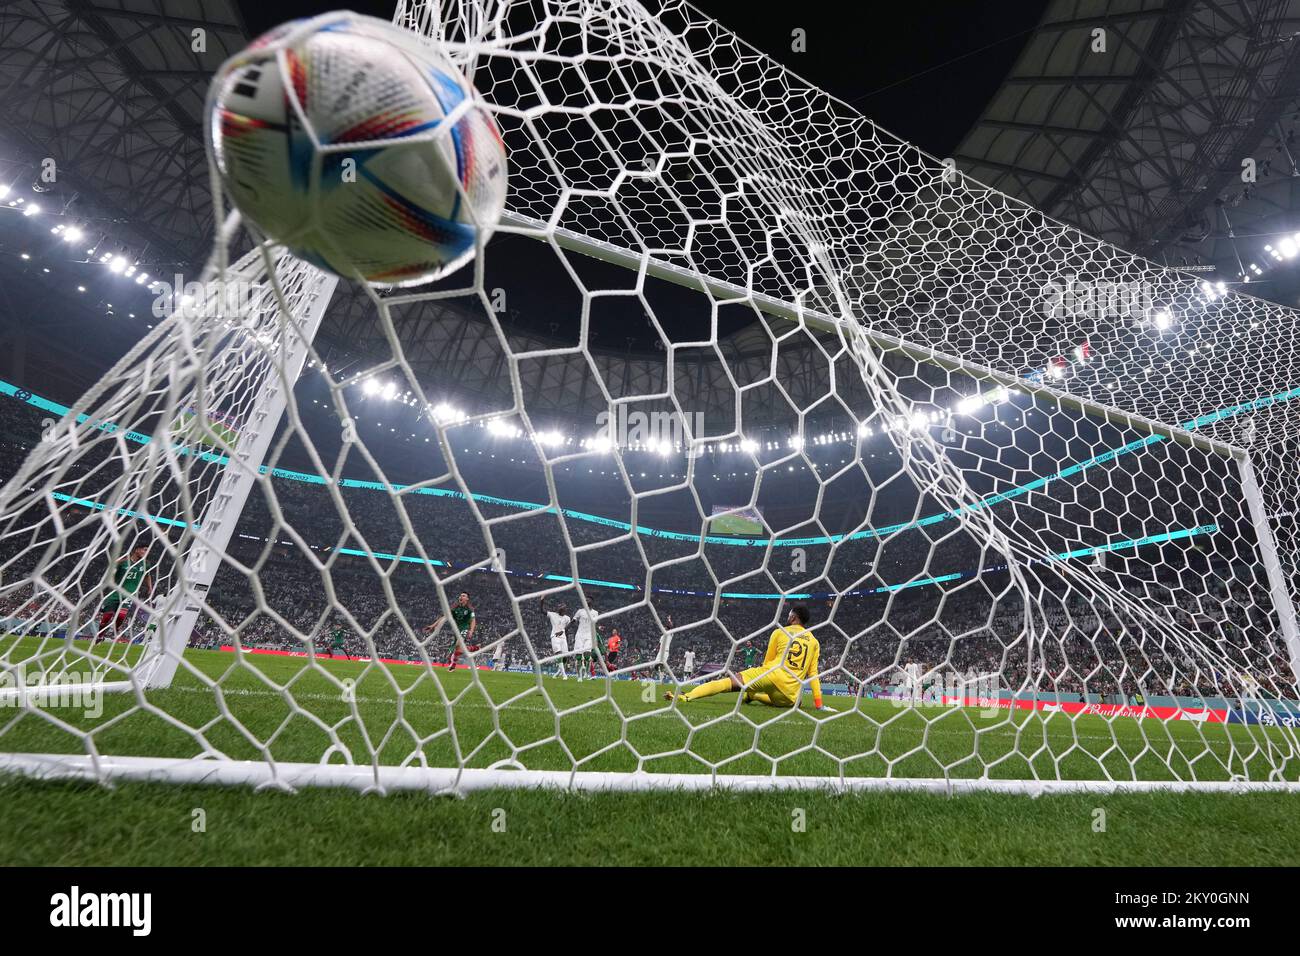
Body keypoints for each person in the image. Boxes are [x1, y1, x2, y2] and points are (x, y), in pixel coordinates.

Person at [666, 605, 823, 710]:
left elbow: (768, 661)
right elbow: (813, 674)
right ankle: (754, 696)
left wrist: (758, 680)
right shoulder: (814, 641)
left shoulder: (780, 632)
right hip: (790, 691)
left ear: (793, 617)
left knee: (726, 683)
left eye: (789, 615)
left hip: (771, 674)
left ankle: (687, 696)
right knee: (798, 702)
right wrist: (819, 704)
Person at [95, 545, 151, 645]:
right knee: (107, 616)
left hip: (129, 594)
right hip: (115, 593)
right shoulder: (123, 561)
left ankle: (116, 631)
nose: (146, 552)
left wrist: (150, 588)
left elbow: (147, 575)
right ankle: (100, 636)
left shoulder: (145, 564)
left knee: (121, 615)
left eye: (148, 551)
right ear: (137, 550)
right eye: (145, 550)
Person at [425, 591, 476, 670]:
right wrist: (433, 625)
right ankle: (472, 649)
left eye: (463, 596)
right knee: (457, 649)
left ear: (467, 599)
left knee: (457, 644)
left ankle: (453, 663)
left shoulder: (470, 609)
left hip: (465, 628)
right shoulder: (455, 607)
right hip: (456, 630)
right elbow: (444, 617)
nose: (461, 597)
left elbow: (473, 620)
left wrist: (471, 631)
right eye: (460, 595)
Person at [541, 595, 571, 679]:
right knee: (559, 654)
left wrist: (565, 635)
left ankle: (558, 672)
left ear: (565, 610)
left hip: (563, 638)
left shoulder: (567, 618)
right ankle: (564, 674)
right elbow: (542, 611)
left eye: (563, 607)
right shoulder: (552, 614)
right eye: (560, 607)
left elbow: (567, 629)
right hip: (554, 637)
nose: (561, 608)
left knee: (565, 657)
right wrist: (542, 601)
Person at [572, 602, 597, 681]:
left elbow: (594, 624)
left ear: (591, 601)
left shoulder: (595, 613)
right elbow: (574, 620)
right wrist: (565, 628)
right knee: (579, 657)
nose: (586, 601)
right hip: (579, 635)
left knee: (587, 656)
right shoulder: (580, 611)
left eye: (588, 600)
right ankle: (579, 676)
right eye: (585, 599)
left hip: (589, 636)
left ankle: (586, 672)